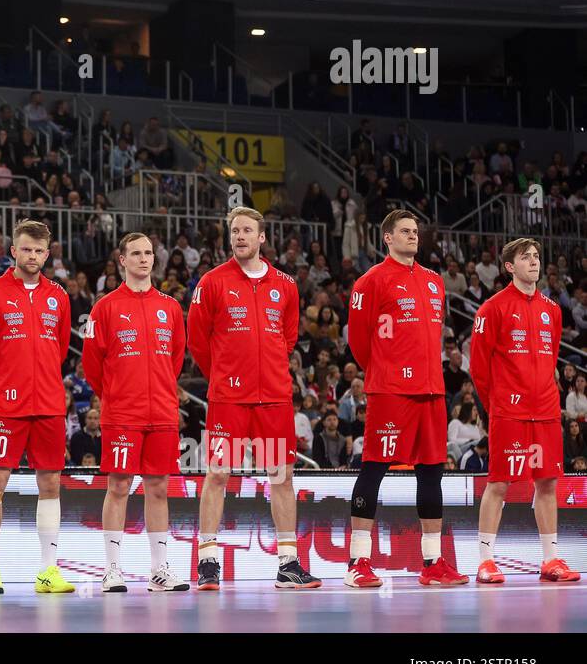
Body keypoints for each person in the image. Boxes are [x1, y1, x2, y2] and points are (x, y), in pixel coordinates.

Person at [188, 207, 321, 590]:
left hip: (275, 398)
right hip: (228, 399)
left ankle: (288, 563)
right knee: (217, 475)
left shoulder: (286, 285)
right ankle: (208, 561)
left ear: (262, 237)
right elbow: (197, 340)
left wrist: (268, 371)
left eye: (247, 230)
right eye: (234, 231)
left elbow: (289, 337)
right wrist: (228, 372)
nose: (240, 236)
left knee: (281, 477)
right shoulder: (212, 282)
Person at [344, 210, 466, 588]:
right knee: (375, 467)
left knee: (432, 472)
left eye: (416, 231)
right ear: (387, 238)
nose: (413, 236)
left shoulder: (433, 281)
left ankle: (432, 562)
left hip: (432, 390)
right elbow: (358, 341)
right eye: (405, 232)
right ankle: (357, 562)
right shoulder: (370, 281)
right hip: (391, 390)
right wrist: (385, 370)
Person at [82, 232, 190, 592]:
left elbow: (175, 360)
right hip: (122, 413)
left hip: (161, 411)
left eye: (148, 253)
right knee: (119, 486)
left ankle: (159, 569)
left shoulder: (171, 308)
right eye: (136, 254)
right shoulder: (104, 307)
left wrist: (158, 392)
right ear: (122, 260)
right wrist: (115, 395)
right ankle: (112, 569)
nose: (144, 259)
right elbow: (92, 365)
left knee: (159, 487)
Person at [469, 238, 579, 584]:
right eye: (525, 257)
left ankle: (551, 559)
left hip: (546, 409)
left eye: (536, 256)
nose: (533, 262)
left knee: (547, 483)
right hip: (509, 411)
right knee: (499, 483)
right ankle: (486, 560)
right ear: (509, 267)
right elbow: (478, 367)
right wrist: (496, 406)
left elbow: (550, 358)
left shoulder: (552, 309)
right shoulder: (491, 308)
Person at [0, 219, 75, 592]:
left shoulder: (60, 296)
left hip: (49, 404)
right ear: (13, 251)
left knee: (50, 483)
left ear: (46, 254)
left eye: (39, 251)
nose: (32, 256)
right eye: (26, 249)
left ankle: (48, 571)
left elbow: (61, 348)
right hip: (6, 405)